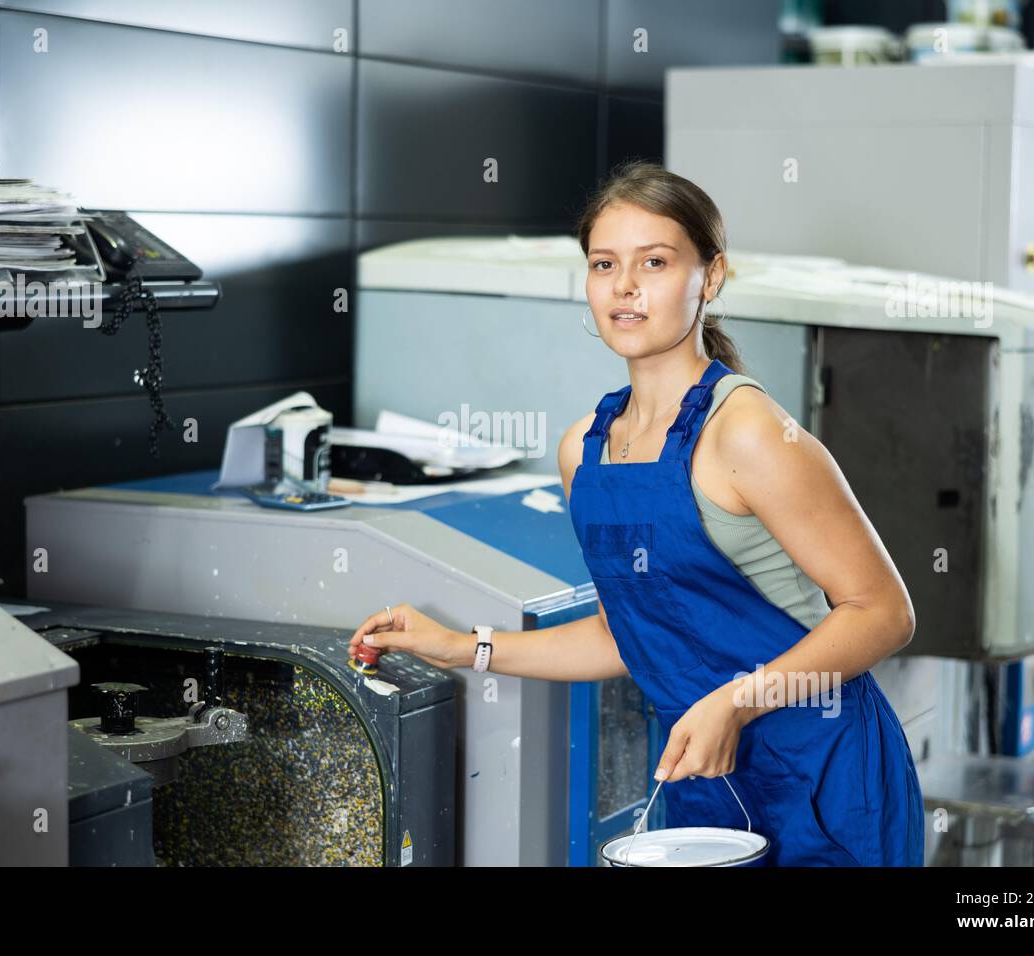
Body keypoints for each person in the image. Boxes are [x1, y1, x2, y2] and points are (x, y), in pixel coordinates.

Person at [349, 160, 925, 866]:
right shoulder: (583, 451)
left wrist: (738, 702)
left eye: (654, 261)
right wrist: (460, 646)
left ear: (710, 278)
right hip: (706, 776)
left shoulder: (744, 431)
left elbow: (883, 612)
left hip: (824, 774)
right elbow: (635, 635)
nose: (624, 286)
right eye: (603, 264)